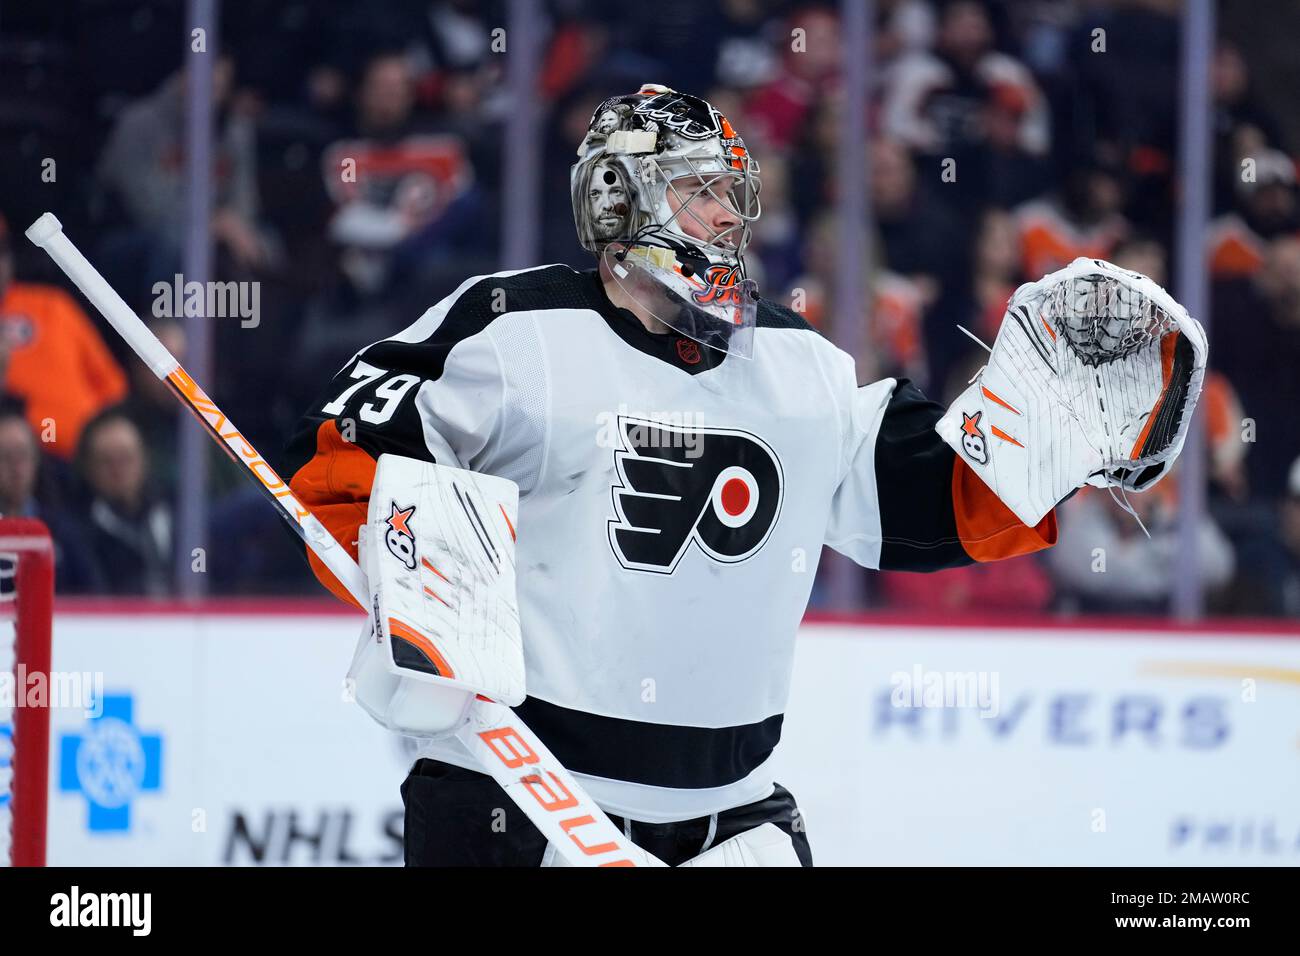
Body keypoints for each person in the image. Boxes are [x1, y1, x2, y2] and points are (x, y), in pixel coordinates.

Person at [283, 85, 1185, 867]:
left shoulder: (801, 367)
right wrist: (409, 571)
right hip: (518, 801)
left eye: (734, 194)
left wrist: (1040, 445)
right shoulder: (513, 326)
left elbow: (929, 500)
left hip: (731, 820)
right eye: (699, 190)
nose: (728, 216)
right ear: (616, 198)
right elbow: (352, 460)